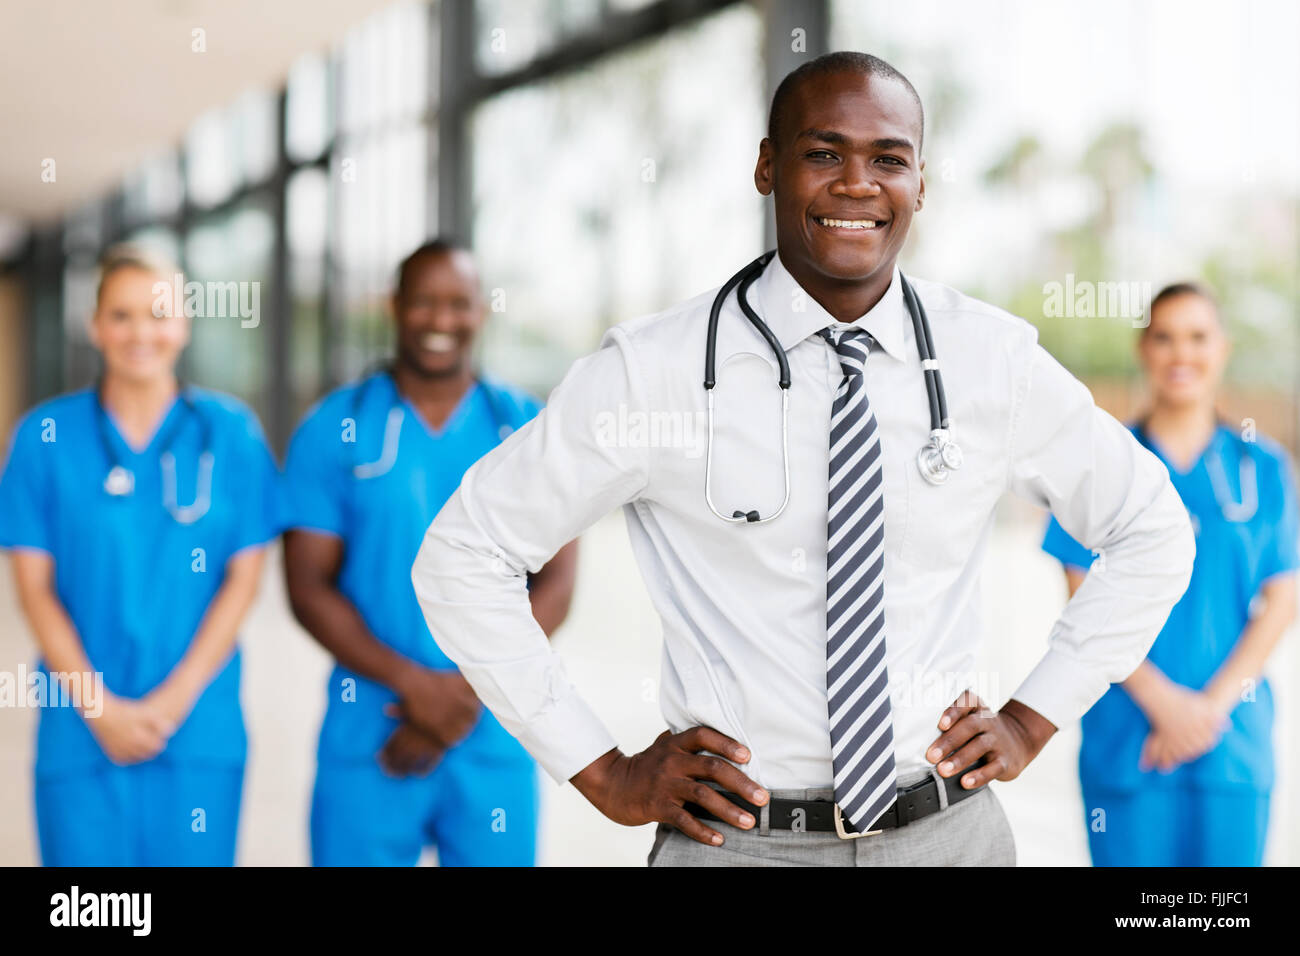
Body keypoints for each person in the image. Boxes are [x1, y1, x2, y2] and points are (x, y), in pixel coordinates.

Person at [410, 51, 1195, 867]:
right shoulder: (655, 373)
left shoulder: (990, 361)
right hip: (739, 844)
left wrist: (1035, 717)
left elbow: (1153, 529)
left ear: (920, 183)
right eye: (824, 153)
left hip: (949, 837)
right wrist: (601, 770)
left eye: (888, 159)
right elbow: (463, 555)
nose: (857, 184)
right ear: (767, 167)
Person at [282, 239, 578, 867]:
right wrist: (415, 687)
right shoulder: (335, 429)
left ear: (481, 312)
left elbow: (557, 582)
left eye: (458, 304)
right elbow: (308, 587)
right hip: (372, 722)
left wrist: (462, 694)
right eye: (424, 302)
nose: (441, 320)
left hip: (491, 725)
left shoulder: (526, 429)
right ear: (394, 306)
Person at [0, 244, 279, 866]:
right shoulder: (45, 439)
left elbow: (243, 580)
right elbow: (33, 589)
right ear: (96, 325)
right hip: (80, 728)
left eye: (157, 314)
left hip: (196, 725)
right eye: (121, 316)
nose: (139, 333)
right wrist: (101, 710)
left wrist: (170, 703)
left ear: (182, 322)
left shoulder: (230, 434)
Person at [1041, 282, 1298, 866]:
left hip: (1229, 738)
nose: (1181, 353)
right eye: (1164, 337)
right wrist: (1167, 708)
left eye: (1198, 337)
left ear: (1223, 349)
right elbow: (1083, 596)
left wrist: (1204, 713)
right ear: (1143, 350)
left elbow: (1283, 600)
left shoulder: (1264, 467)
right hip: (1129, 738)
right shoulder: (1105, 464)